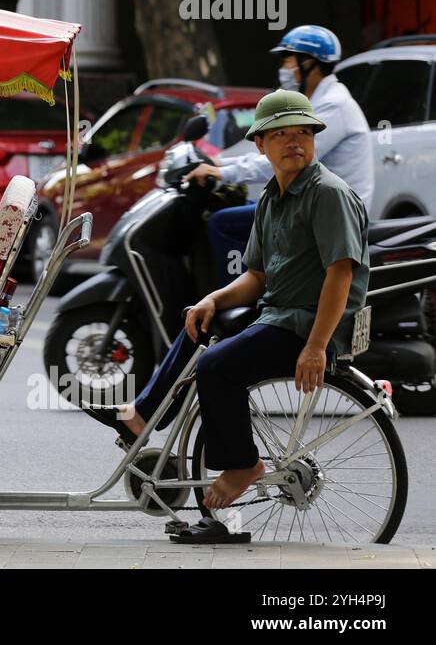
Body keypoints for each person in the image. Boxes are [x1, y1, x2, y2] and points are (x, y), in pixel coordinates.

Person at [86, 89, 369, 511]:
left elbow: (340, 272)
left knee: (214, 366)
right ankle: (144, 414)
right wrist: (213, 299)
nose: (295, 142)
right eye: (282, 134)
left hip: (310, 324)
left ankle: (242, 465)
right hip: (279, 313)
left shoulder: (326, 193)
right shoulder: (272, 197)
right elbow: (257, 276)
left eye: (303, 134)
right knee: (198, 320)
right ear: (261, 143)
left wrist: (316, 347)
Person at [187, 25, 372, 286]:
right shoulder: (318, 101)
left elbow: (283, 161)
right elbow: (273, 154)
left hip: (331, 214)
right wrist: (218, 162)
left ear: (309, 64)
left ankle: (236, 305)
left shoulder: (333, 106)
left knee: (223, 224)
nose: (284, 68)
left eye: (287, 59)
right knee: (252, 213)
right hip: (309, 203)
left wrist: (222, 172)